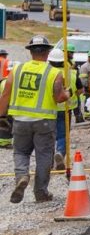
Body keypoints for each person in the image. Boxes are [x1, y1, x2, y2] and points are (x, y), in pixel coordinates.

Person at [0, 35, 70, 203]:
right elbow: (59, 97)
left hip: (20, 121)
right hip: (44, 122)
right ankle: (41, 192)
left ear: (30, 52)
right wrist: (67, 94)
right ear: (47, 53)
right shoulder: (54, 73)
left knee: (21, 152)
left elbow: (5, 95)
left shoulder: (16, 70)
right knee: (44, 156)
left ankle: (22, 176)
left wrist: (1, 116)